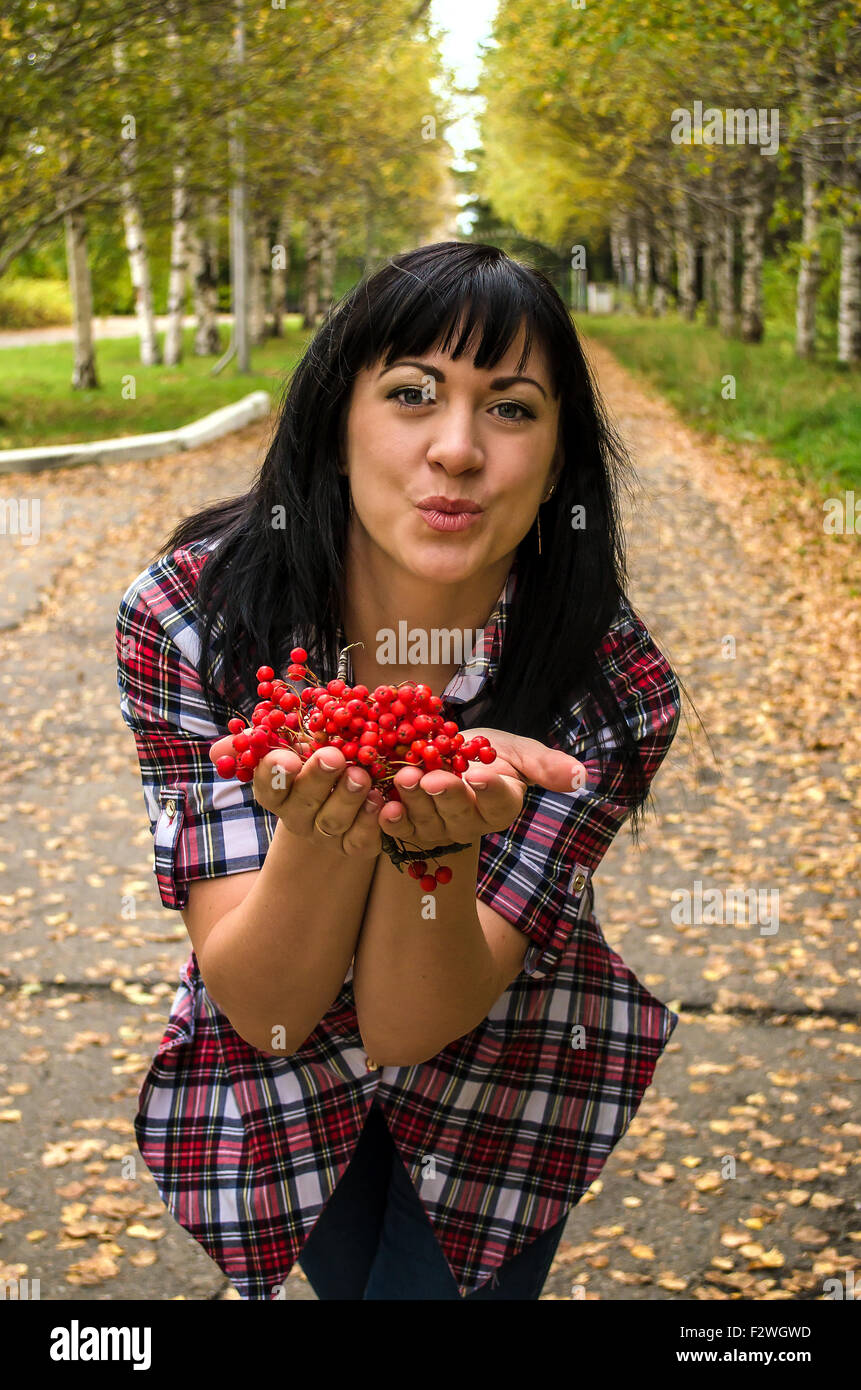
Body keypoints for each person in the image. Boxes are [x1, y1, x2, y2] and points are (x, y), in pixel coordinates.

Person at [115, 240, 684, 1301]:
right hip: (282, 1079)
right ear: (338, 423)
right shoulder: (191, 618)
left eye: (512, 408)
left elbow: (410, 1023)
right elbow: (267, 1003)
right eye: (413, 394)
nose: (458, 449)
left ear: (559, 458)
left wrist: (440, 843)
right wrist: (330, 823)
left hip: (508, 1083)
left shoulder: (609, 683)